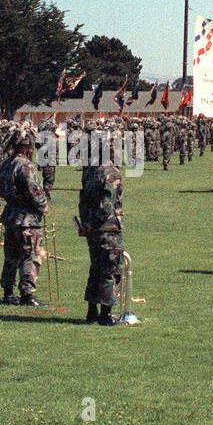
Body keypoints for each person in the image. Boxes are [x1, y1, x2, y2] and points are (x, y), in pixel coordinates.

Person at [77, 123, 125, 324]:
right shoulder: (110, 171)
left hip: (92, 228)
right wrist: (95, 222)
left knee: (95, 268)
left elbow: (83, 199)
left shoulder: (90, 170)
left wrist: (87, 223)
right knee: (110, 270)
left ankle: (92, 311)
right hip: (107, 228)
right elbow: (106, 206)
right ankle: (105, 314)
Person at [0, 123, 48, 306]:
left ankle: (8, 290)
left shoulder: (7, 163)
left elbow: (1, 189)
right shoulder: (25, 166)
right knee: (30, 255)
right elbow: (34, 191)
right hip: (27, 217)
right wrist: (43, 206)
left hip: (11, 214)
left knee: (10, 255)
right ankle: (27, 294)